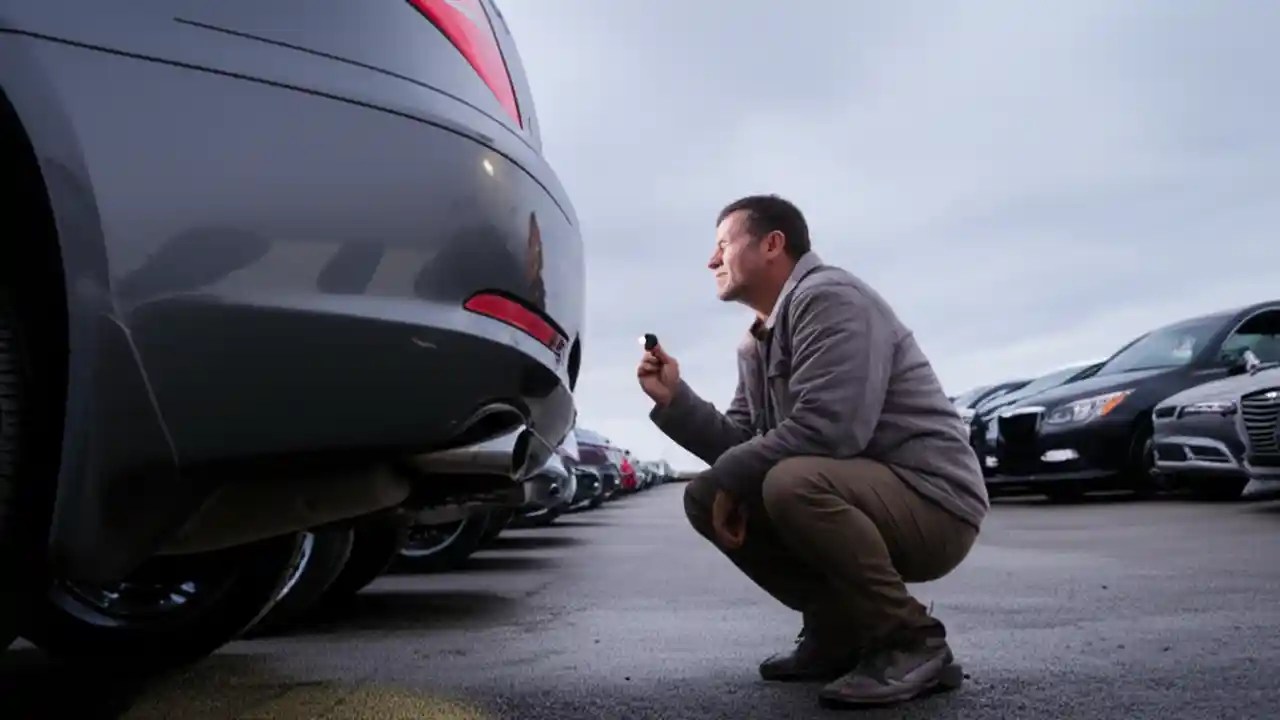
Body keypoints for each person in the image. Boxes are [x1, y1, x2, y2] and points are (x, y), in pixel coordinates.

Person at [636, 194, 989, 708]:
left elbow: (832, 430)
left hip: (933, 502)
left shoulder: (830, 298)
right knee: (705, 494)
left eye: (722, 245)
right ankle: (839, 630)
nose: (711, 261)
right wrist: (676, 400)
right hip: (863, 493)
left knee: (790, 483)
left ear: (773, 244)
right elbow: (743, 444)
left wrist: (737, 473)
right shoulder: (755, 341)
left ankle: (911, 641)